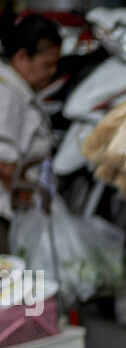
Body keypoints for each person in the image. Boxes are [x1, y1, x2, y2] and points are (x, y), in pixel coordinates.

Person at [0, 13, 61, 253]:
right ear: (22, 56)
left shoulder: (20, 91)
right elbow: (4, 162)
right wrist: (33, 198)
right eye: (47, 65)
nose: (52, 72)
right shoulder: (7, 94)